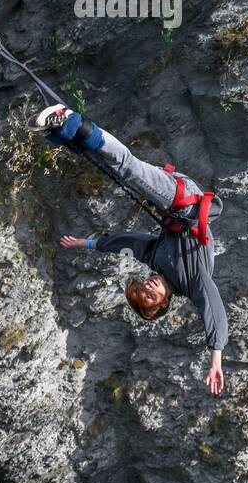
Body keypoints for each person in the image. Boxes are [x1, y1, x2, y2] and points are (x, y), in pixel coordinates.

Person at [36, 107, 228, 394]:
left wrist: (86, 243)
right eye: (152, 295)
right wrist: (216, 359)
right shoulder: (194, 282)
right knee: (129, 167)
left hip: (174, 205)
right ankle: (73, 121)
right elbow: (214, 312)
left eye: (144, 291)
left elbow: (128, 243)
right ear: (164, 302)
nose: (149, 287)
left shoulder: (156, 260)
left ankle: (65, 134)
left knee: (120, 172)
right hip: (186, 201)